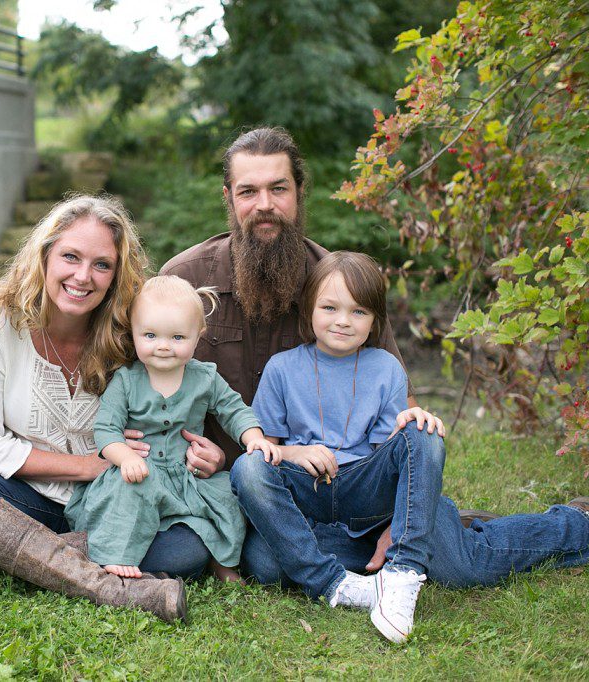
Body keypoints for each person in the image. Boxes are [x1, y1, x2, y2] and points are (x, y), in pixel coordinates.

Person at [233, 251, 589, 642]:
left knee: (465, 565)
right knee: (262, 551)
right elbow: (264, 451)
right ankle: (336, 581)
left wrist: (400, 504)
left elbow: (395, 460)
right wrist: (295, 453)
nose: (342, 321)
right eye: (330, 307)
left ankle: (408, 569)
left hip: (371, 501)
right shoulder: (282, 369)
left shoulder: (385, 368)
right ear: (309, 311)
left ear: (374, 320)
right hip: (312, 502)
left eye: (358, 312)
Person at [159, 125, 446, 570]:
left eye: (279, 188)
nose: (265, 205)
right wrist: (192, 453)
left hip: (314, 488)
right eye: (248, 191)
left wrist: (400, 514)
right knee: (256, 565)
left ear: (299, 192)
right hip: (219, 481)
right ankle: (415, 538)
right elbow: (146, 388)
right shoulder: (186, 281)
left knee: (273, 565)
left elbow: (402, 413)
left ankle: (418, 534)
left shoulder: (334, 284)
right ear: (229, 199)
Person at [0, 196, 197, 623]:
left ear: (116, 275)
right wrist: (88, 466)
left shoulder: (130, 333)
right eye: (70, 256)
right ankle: (114, 590)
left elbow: (170, 403)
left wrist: (198, 449)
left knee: (191, 544)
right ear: (44, 254)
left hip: (111, 501)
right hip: (24, 500)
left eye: (102, 265)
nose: (83, 276)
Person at [64, 275, 280, 581]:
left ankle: (224, 563)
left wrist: (254, 438)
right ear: (134, 333)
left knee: (227, 496)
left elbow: (233, 409)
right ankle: (115, 556)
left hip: (186, 475)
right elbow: (107, 430)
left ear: (198, 334)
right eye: (150, 336)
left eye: (177, 338)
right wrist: (125, 458)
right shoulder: (126, 380)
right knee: (128, 494)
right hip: (141, 470)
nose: (163, 346)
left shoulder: (204, 378)